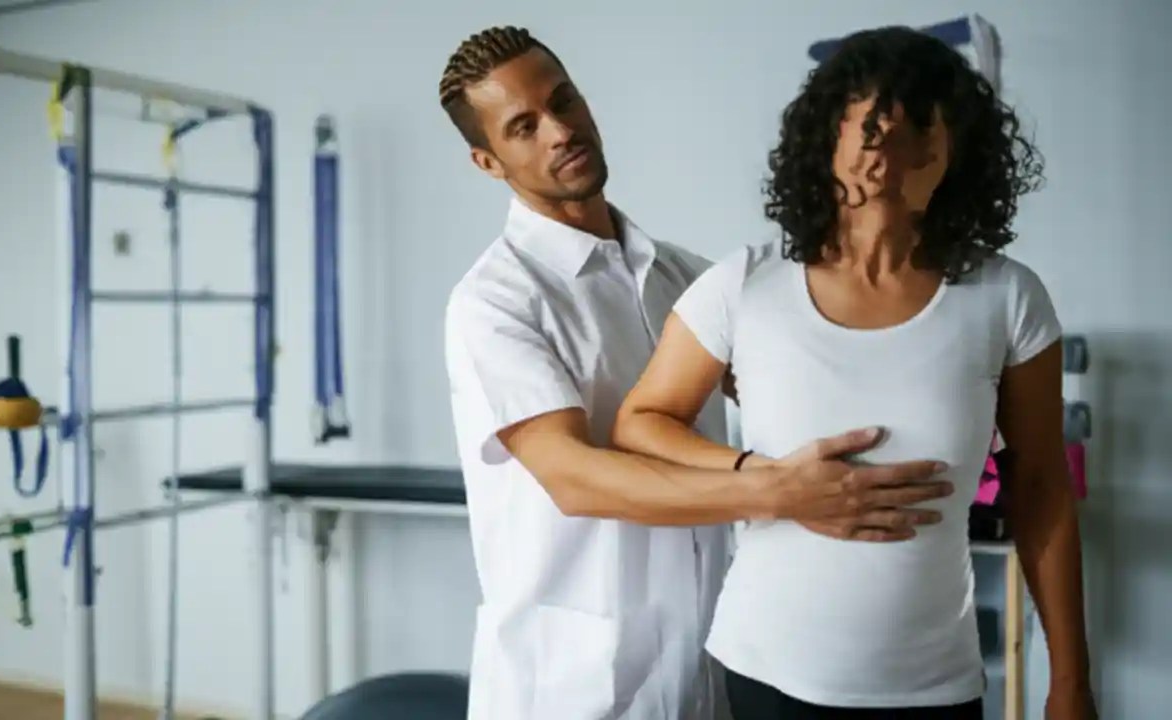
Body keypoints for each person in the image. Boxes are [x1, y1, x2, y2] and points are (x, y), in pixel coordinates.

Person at [438, 26, 957, 720]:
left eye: (565, 101)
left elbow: (803, 390)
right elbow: (573, 477)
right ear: (487, 160)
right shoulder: (495, 302)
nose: (560, 131)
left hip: (708, 667)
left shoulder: (687, 276)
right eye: (524, 127)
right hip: (573, 686)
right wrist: (774, 492)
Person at [611, 25, 1096, 720]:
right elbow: (641, 421)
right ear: (827, 137)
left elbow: (1042, 488)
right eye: (871, 127)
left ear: (957, 151)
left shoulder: (1009, 296)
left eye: (917, 128)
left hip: (935, 684)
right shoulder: (746, 282)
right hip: (765, 672)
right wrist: (766, 480)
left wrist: (1070, 683)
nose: (888, 153)